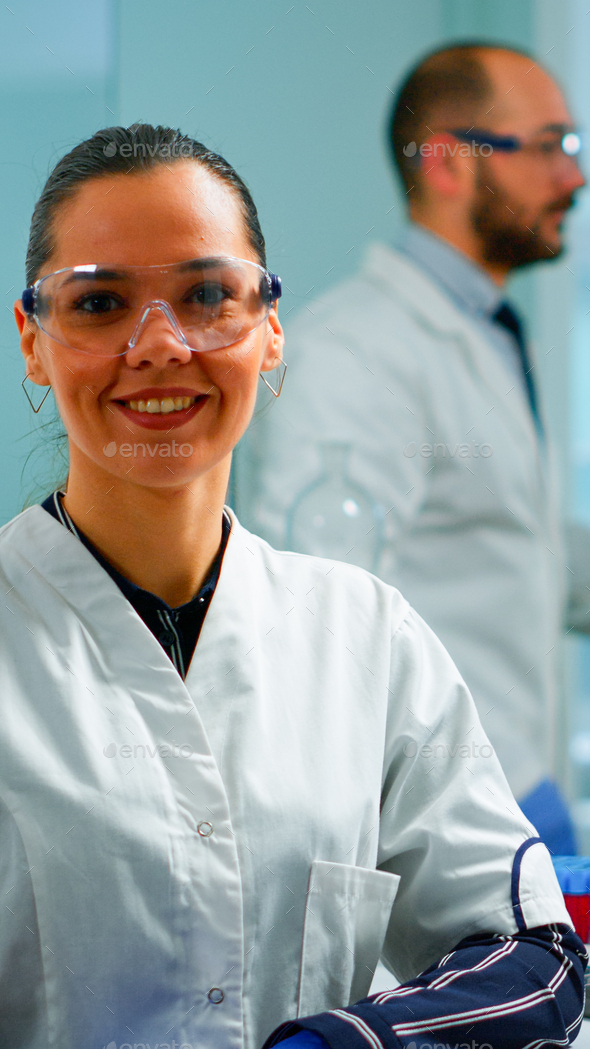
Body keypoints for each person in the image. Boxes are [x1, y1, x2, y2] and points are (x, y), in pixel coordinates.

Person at [1, 123, 585, 1049]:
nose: (159, 346)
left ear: (270, 329)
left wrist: (352, 1042)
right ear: (34, 342)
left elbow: (535, 955)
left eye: (204, 295)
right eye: (102, 302)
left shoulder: (365, 637)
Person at [247, 43, 590, 855]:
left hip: (525, 794)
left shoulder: (495, 334)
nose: (572, 178)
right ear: (445, 161)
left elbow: (512, 542)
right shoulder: (357, 352)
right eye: (548, 147)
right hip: (442, 823)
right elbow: (323, 613)